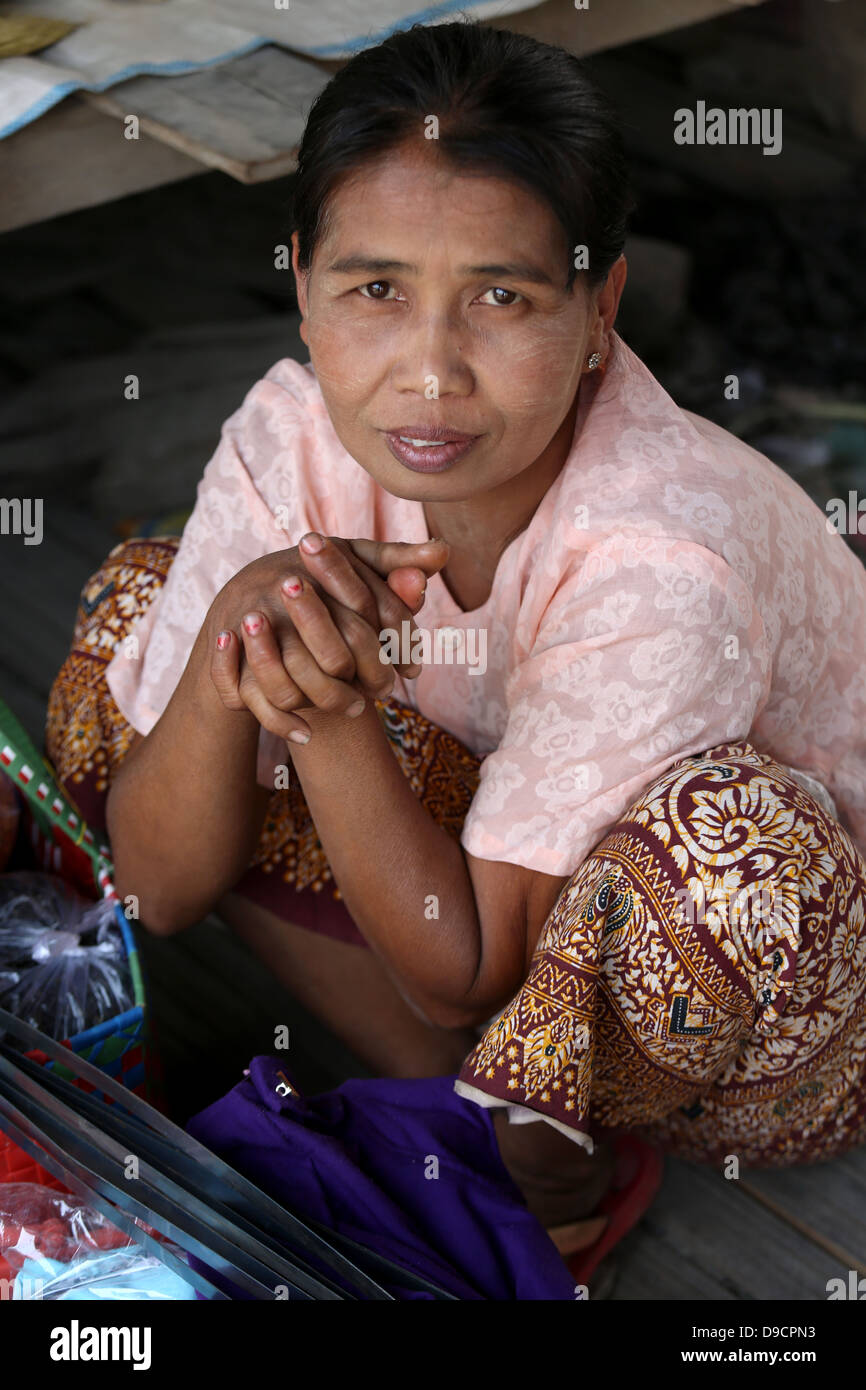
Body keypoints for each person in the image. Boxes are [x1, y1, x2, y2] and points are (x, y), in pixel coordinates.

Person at [47, 21, 866, 1284]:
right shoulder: (290, 440)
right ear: (306, 294)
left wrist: (321, 718)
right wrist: (246, 637)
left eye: (502, 296)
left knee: (730, 845)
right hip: (500, 887)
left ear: (599, 310)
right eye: (376, 290)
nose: (429, 372)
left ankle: (551, 1157)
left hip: (774, 1024)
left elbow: (462, 969)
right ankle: (487, 1110)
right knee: (145, 625)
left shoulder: (657, 549)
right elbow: (154, 887)